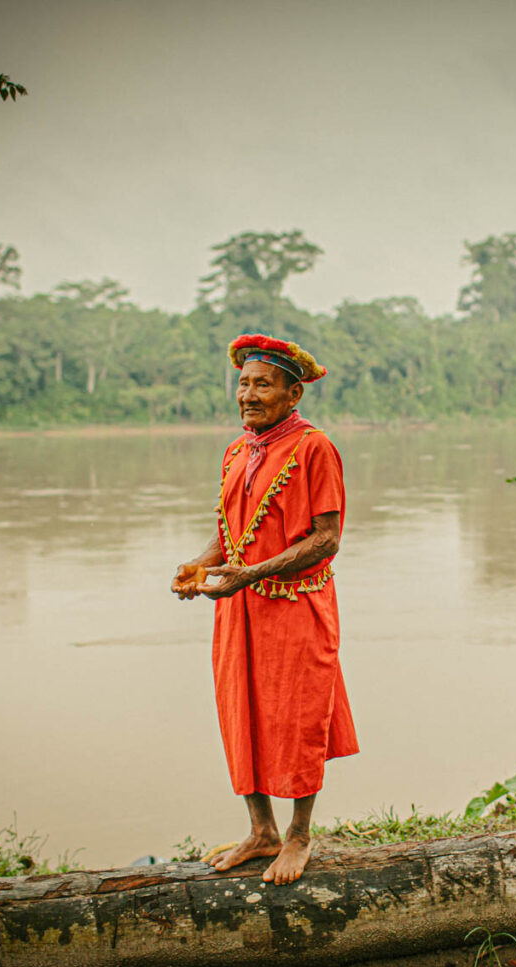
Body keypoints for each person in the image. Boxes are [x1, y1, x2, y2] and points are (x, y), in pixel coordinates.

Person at [171, 333, 358, 885]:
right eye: (243, 383)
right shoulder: (237, 450)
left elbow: (327, 539)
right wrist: (202, 565)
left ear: (293, 394)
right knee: (242, 712)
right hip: (238, 609)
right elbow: (232, 529)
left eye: (263, 384)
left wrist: (249, 574)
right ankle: (262, 831)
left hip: (296, 605)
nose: (248, 394)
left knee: (297, 717)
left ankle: (299, 835)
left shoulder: (314, 447)